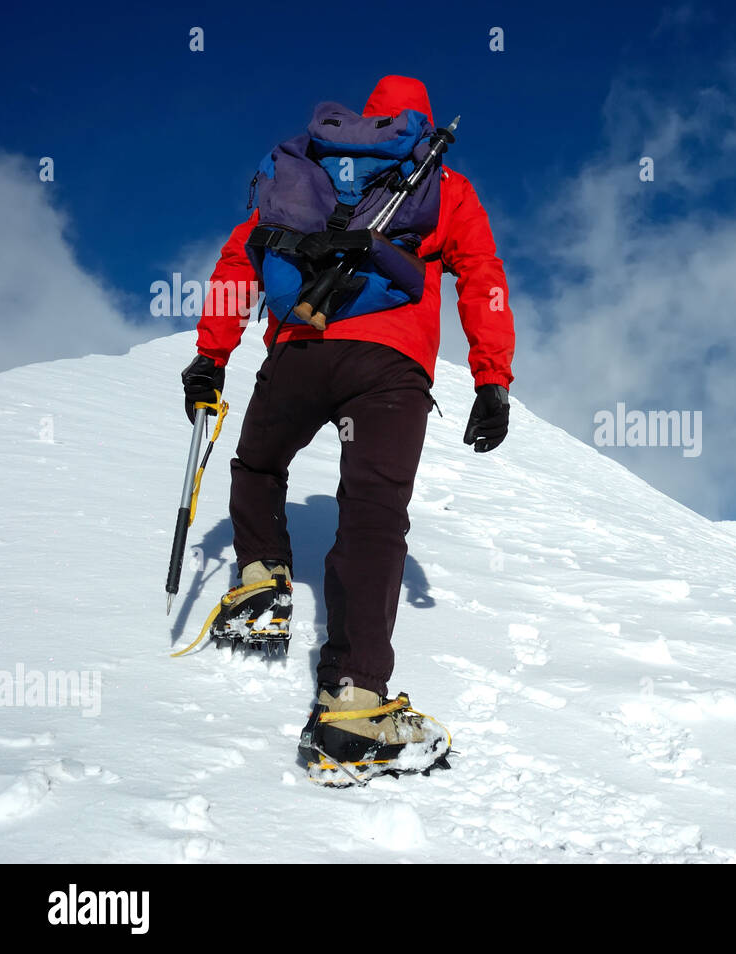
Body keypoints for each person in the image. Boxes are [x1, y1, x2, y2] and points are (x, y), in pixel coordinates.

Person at [179, 75, 515, 781]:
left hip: (300, 351)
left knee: (259, 465)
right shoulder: (441, 183)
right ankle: (354, 705)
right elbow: (481, 276)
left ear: (371, 116)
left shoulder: (310, 168)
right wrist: (492, 378)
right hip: (389, 366)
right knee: (372, 515)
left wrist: (211, 356)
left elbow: (243, 255)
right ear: (420, 121)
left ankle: (261, 580)